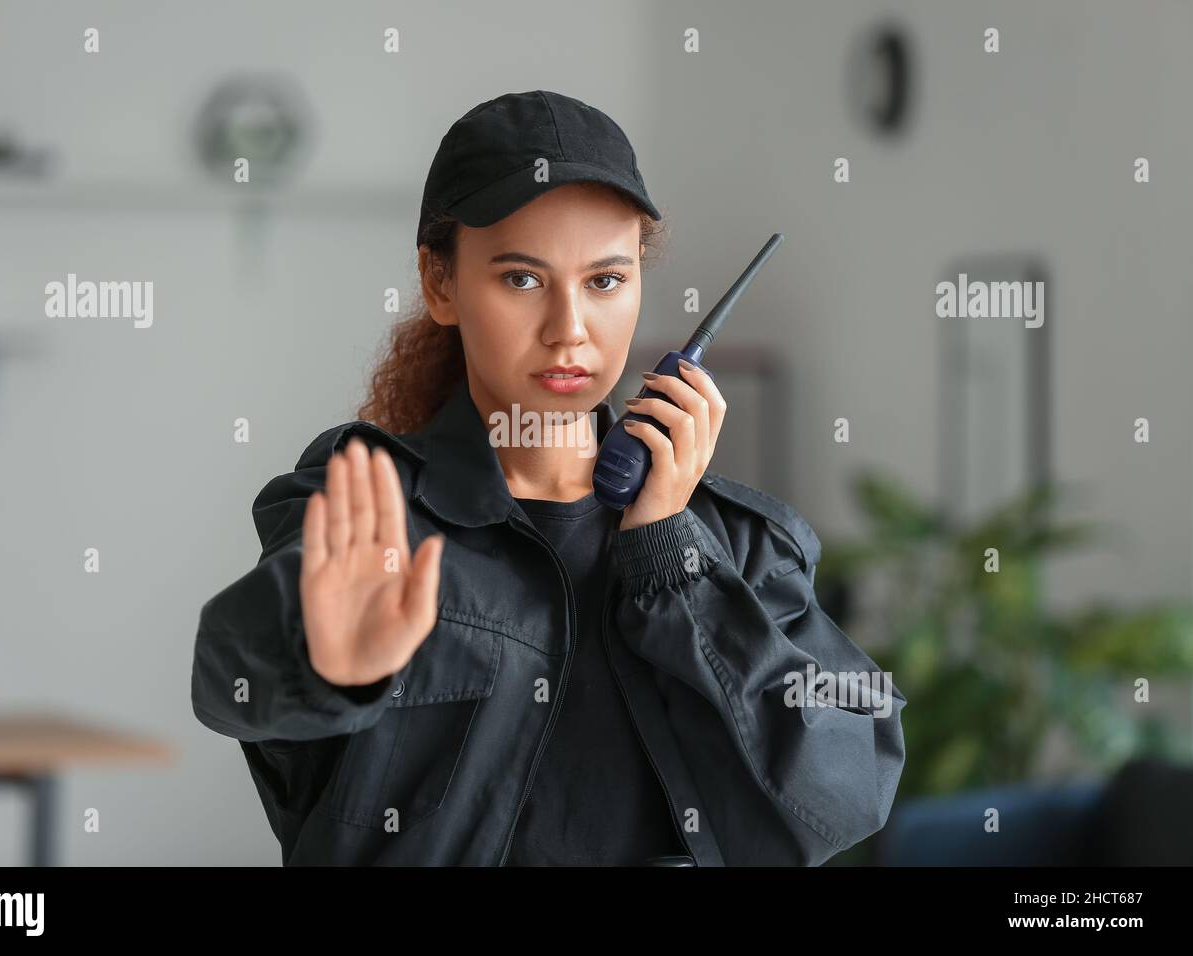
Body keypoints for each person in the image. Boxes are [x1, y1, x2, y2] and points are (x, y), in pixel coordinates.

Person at [191, 89, 906, 866]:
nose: (570, 329)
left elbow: (846, 794)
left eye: (604, 281)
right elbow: (230, 676)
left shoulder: (735, 543)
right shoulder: (368, 506)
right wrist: (329, 663)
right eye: (523, 280)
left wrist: (673, 561)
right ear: (441, 284)